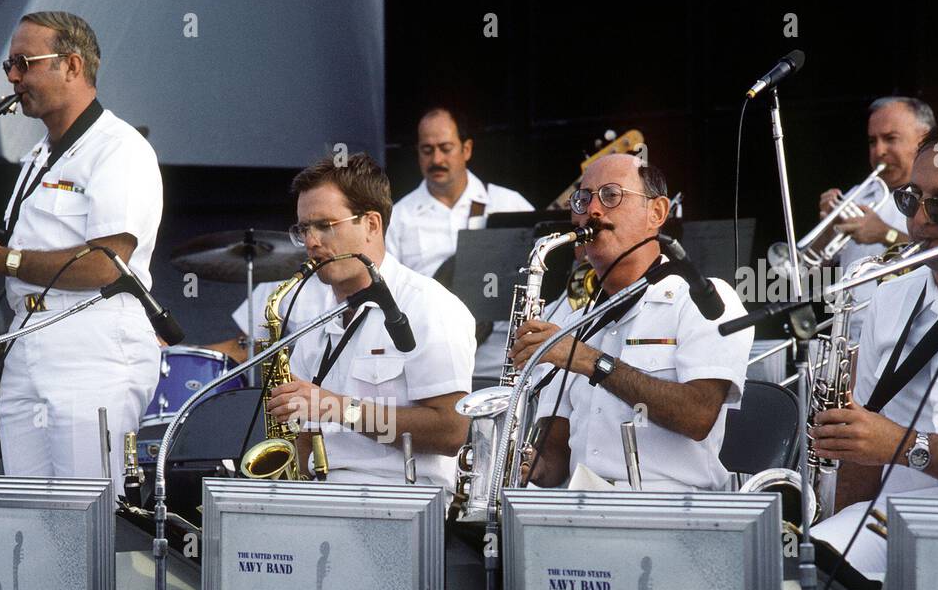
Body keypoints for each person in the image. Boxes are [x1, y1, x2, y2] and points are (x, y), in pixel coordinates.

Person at [0, 10, 161, 497]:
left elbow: (108, 263)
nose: (14, 77)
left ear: (72, 65)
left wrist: (3, 260)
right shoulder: (38, 157)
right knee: (31, 521)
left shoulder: (120, 149)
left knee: (87, 519)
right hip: (28, 347)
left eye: (24, 62)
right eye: (9, 67)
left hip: (93, 353)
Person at [810, 119, 938, 577]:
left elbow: (889, 442)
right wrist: (836, 533)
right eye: (911, 200)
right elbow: (866, 441)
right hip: (894, 515)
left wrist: (907, 446)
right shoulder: (887, 297)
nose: (921, 220)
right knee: (808, 568)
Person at [514, 154, 754, 491]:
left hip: (670, 511)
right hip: (579, 511)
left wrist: (589, 360)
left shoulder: (705, 300)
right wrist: (530, 467)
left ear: (656, 213)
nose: (593, 210)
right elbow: (554, 457)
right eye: (583, 199)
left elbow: (698, 416)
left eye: (611, 196)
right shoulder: (571, 321)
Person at [263, 153, 476, 490]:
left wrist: (338, 408)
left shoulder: (428, 305)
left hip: (399, 502)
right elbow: (303, 442)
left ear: (371, 225)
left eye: (325, 226)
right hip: (325, 498)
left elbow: (451, 431)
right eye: (303, 228)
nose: (311, 242)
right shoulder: (313, 324)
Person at [385, 107, 533, 378]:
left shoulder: (507, 203)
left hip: (504, 357)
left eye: (445, 148)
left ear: (466, 149)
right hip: (429, 360)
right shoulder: (399, 218)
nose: (436, 159)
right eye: (426, 150)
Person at [818, 97, 934, 274]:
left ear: (924, 140)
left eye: (890, 139)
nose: (879, 151)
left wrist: (886, 234)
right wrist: (826, 232)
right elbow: (809, 272)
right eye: (872, 141)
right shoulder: (856, 195)